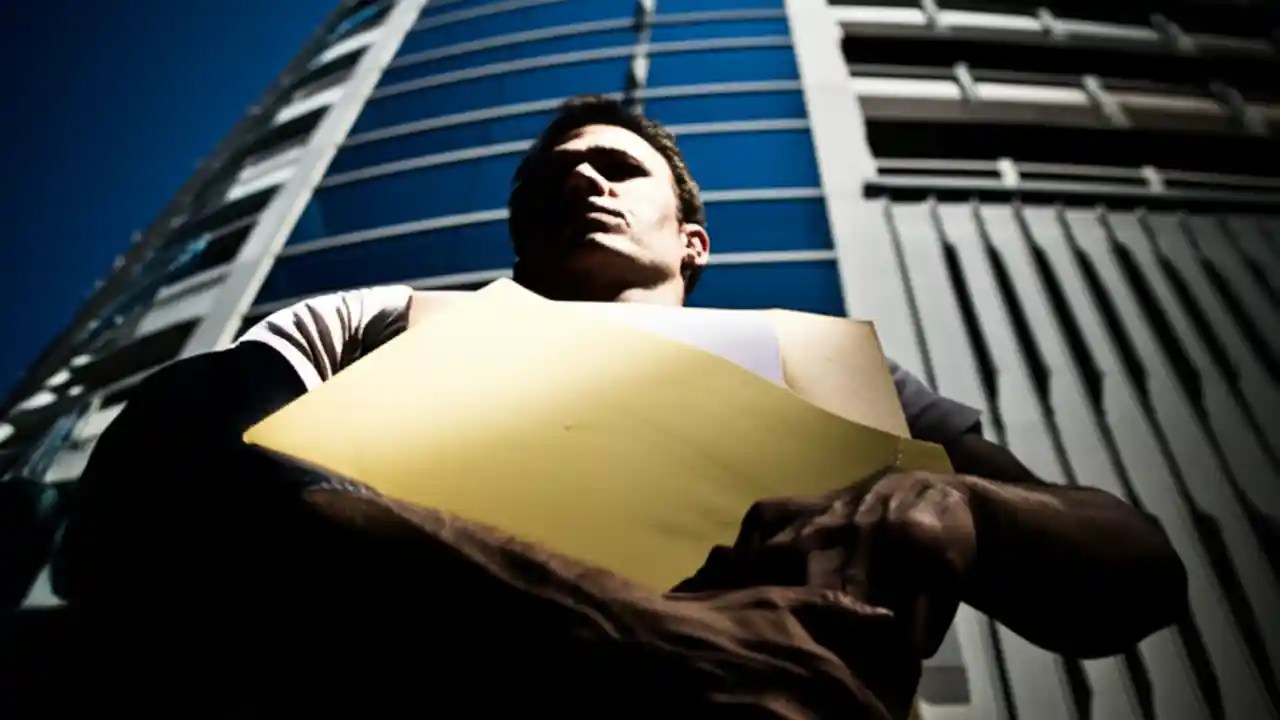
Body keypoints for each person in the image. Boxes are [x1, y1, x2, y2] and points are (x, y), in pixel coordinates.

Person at [45, 96, 1186, 717]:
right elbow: (157, 475)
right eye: (551, 175)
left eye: (615, 167)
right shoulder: (379, 319)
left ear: (693, 239)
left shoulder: (843, 375)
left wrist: (949, 504)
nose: (579, 178)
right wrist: (633, 627)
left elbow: (1131, 577)